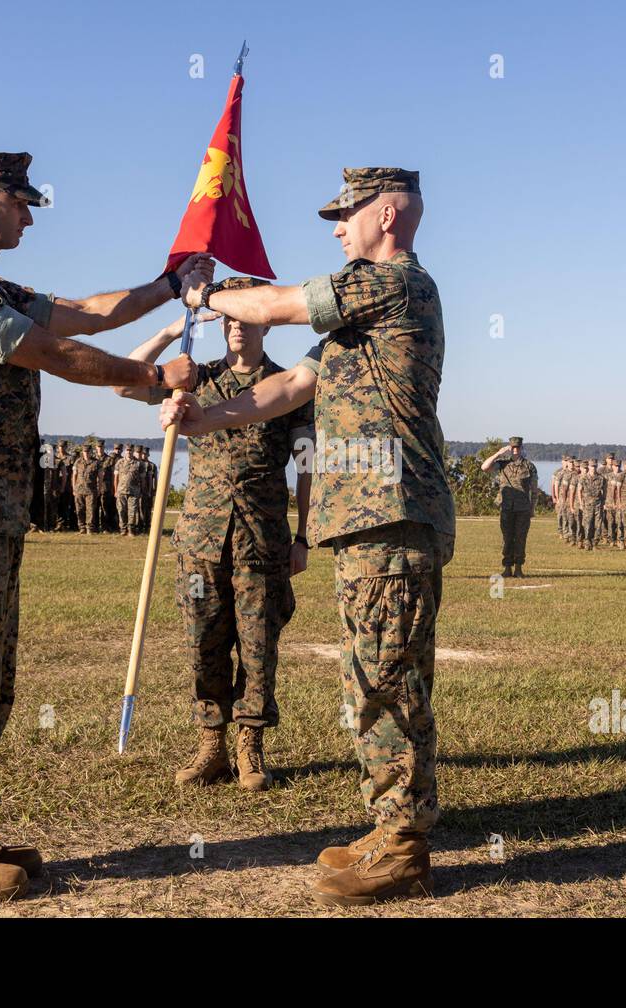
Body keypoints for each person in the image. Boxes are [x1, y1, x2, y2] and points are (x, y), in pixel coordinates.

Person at [0, 149, 207, 903]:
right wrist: (149, 375)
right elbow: (52, 352)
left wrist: (171, 287)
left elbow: (88, 314)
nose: (30, 215)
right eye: (20, 202)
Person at [163, 166, 454, 907]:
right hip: (367, 522)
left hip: (390, 516)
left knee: (387, 682)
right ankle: (392, 828)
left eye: (345, 214)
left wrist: (202, 292)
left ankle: (402, 846)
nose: (335, 227)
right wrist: (206, 417)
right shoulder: (360, 318)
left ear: (386, 214)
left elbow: (280, 304)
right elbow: (288, 389)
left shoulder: (393, 284)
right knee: (374, 677)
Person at [120, 278, 314, 791]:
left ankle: (250, 746)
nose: (233, 325)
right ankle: (211, 744)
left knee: (257, 646)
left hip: (261, 538)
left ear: (264, 322)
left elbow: (306, 467)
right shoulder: (195, 380)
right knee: (203, 641)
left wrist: (302, 537)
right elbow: (124, 383)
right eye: (227, 318)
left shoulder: (290, 388)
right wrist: (168, 330)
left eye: (243, 317)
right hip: (201, 540)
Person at [483, 437, 537, 575]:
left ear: (521, 448)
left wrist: (532, 509)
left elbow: (534, 490)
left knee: (520, 538)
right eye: (512, 448)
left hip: (523, 508)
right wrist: (498, 453)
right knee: (507, 538)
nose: (515, 450)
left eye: (517, 448)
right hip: (506, 507)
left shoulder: (529, 466)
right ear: (509, 448)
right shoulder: (502, 464)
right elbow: (484, 467)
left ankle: (518, 568)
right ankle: (507, 567)